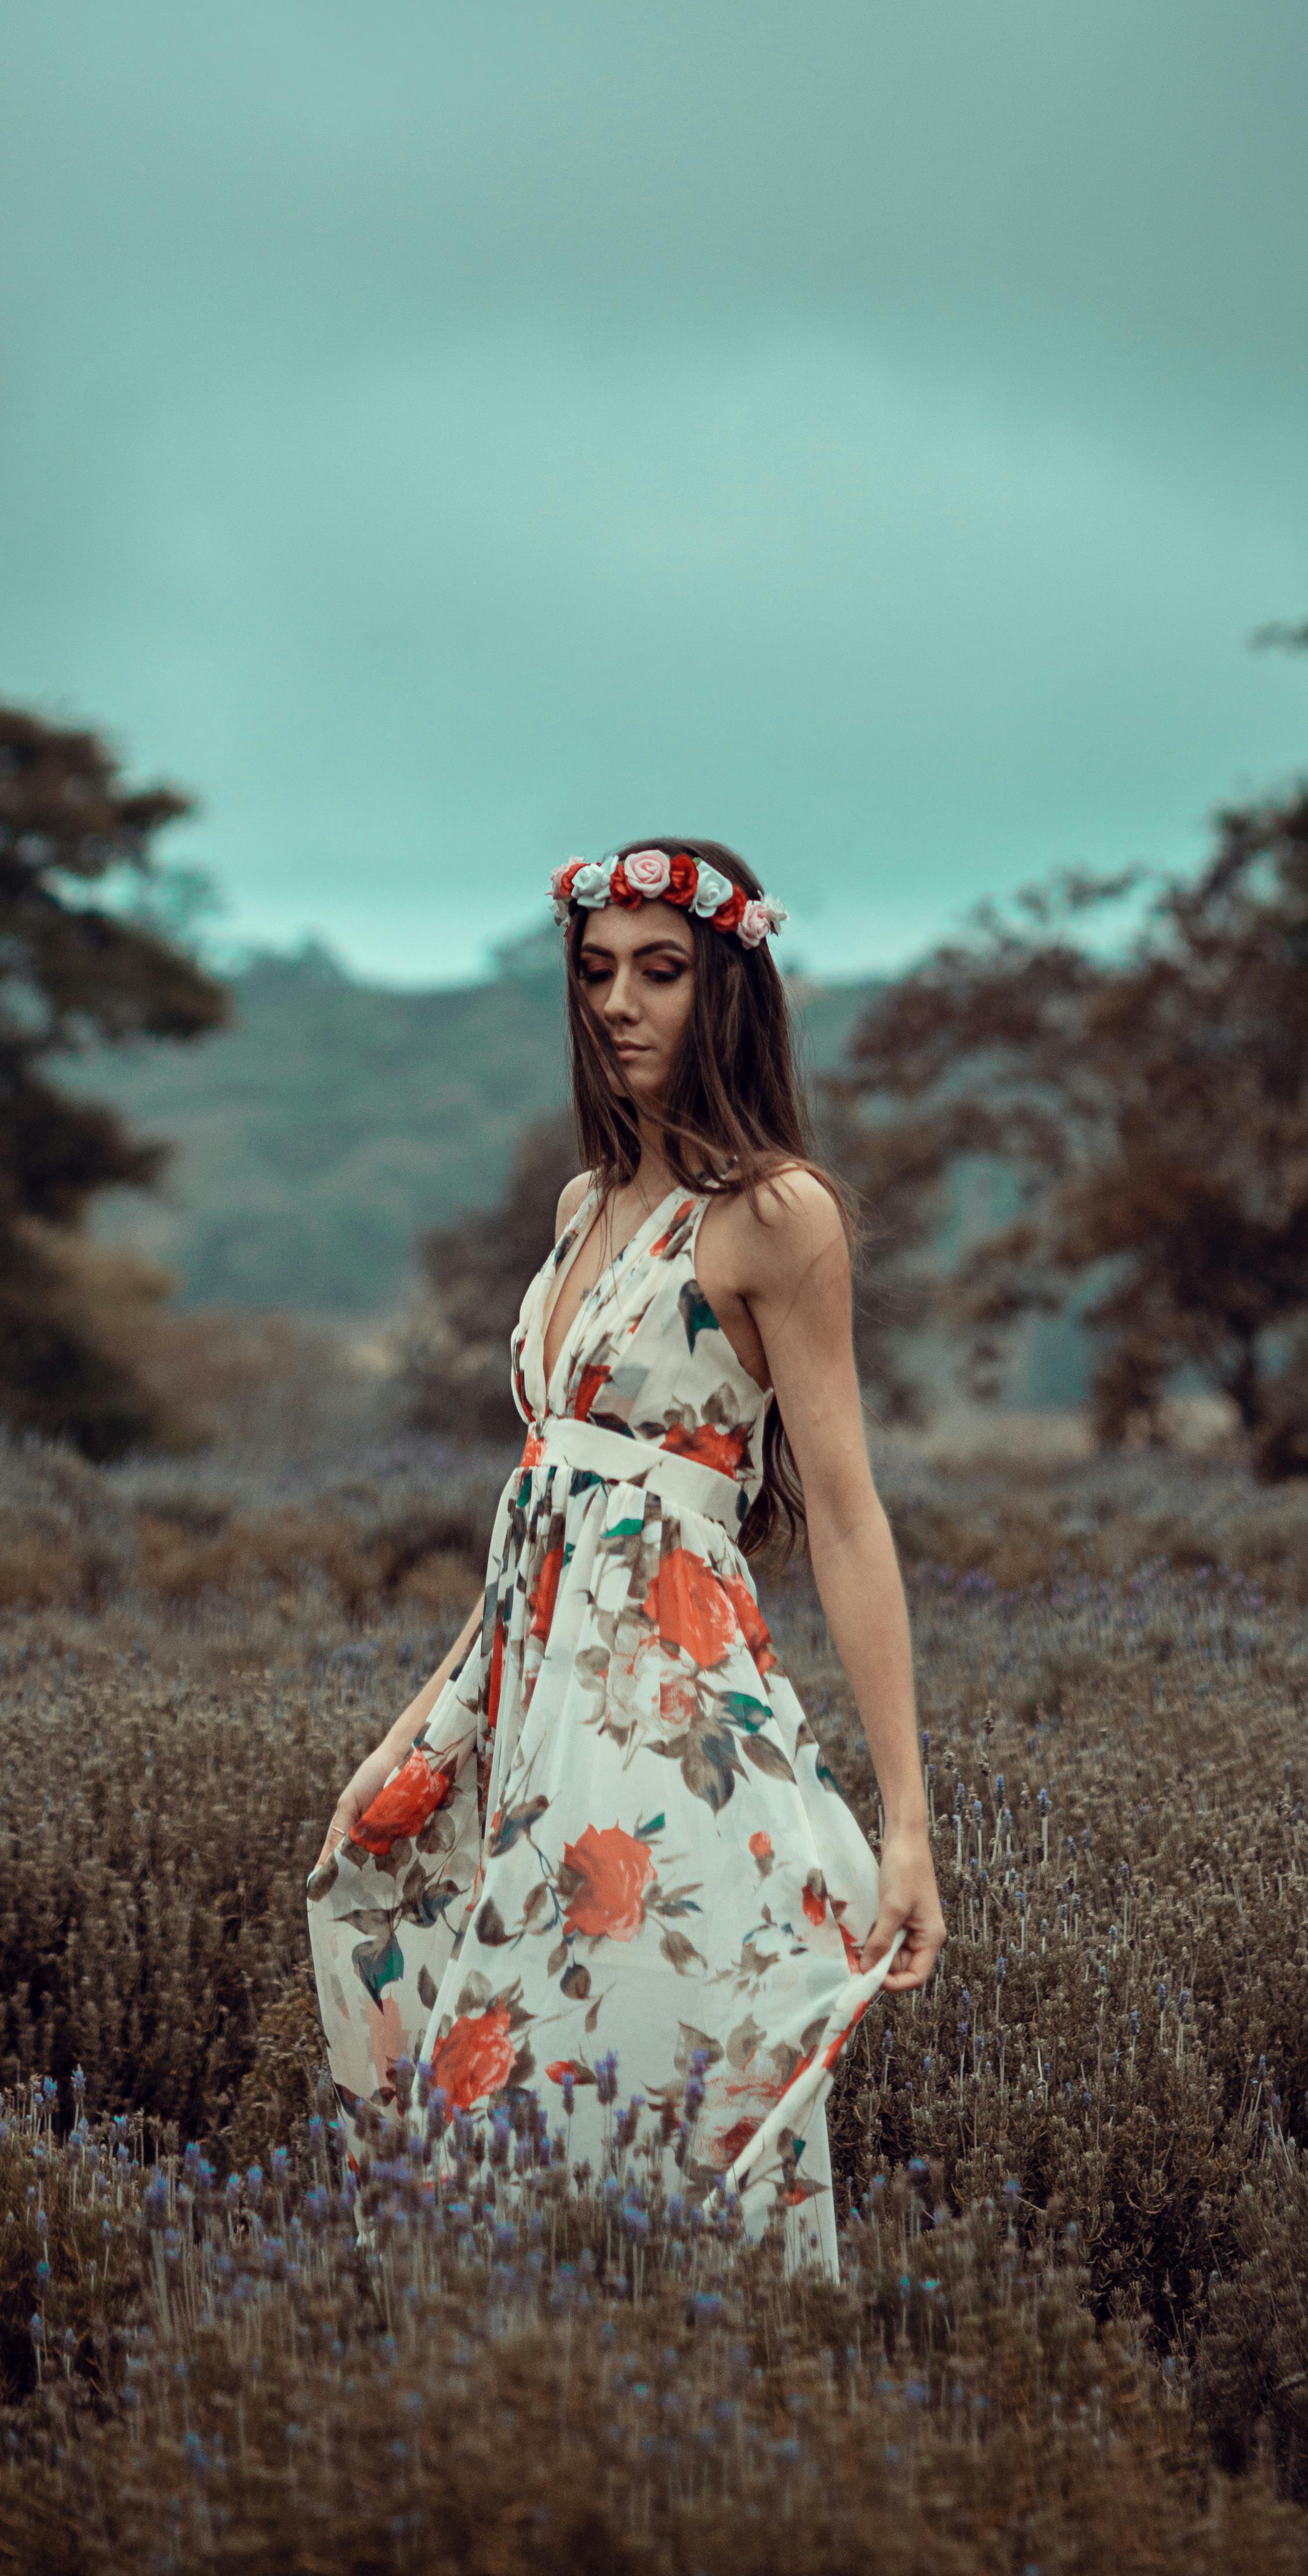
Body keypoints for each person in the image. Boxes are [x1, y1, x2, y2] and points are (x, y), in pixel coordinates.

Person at [306, 836, 944, 2272]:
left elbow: (847, 1515)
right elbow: (544, 1510)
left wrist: (905, 1818)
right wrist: (417, 1725)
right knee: (383, 1907)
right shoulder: (581, 1206)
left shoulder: (776, 1214)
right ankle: (503, 2367)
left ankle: (698, 2370)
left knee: (612, 2067)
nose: (617, 1001)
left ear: (727, 988)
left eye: (660, 970)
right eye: (596, 970)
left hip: (657, 1723)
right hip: (527, 1699)